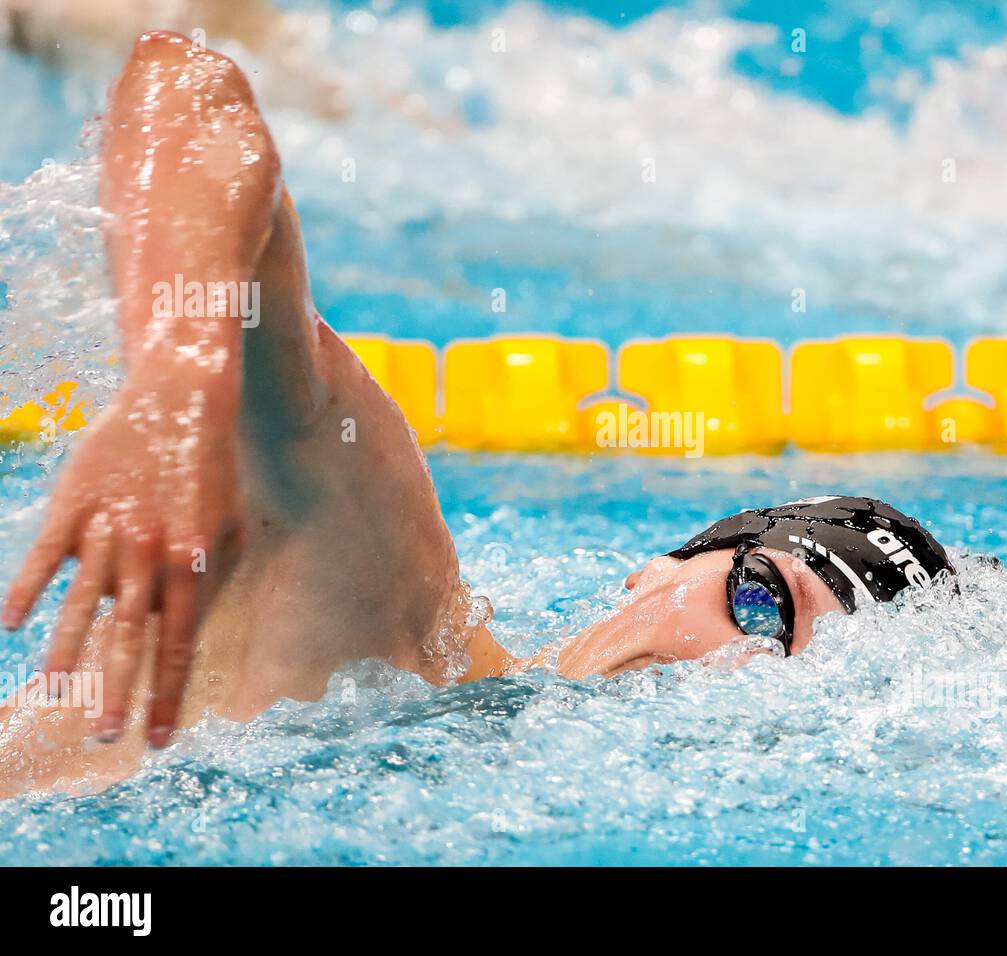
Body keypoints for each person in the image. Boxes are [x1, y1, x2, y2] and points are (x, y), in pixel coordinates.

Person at [0, 33, 953, 797]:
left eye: (802, 689)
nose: (739, 676)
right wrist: (173, 386)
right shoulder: (381, 602)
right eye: (762, 604)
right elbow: (187, 90)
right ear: (656, 568)